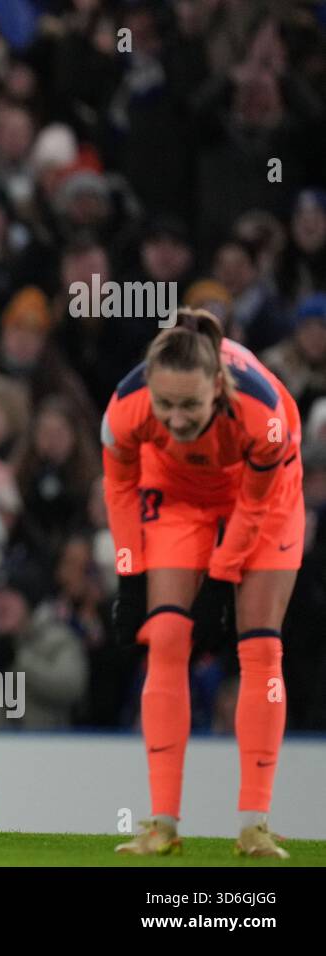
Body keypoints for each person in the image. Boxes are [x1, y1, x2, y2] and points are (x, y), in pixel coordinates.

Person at [104, 308, 303, 858]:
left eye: (190, 405)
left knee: (260, 645)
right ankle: (162, 825)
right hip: (177, 496)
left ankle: (254, 825)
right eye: (164, 404)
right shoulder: (124, 410)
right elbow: (120, 492)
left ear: (218, 385)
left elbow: (257, 504)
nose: (176, 418)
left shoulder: (264, 418)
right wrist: (129, 578)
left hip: (262, 500)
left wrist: (221, 579)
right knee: (166, 639)